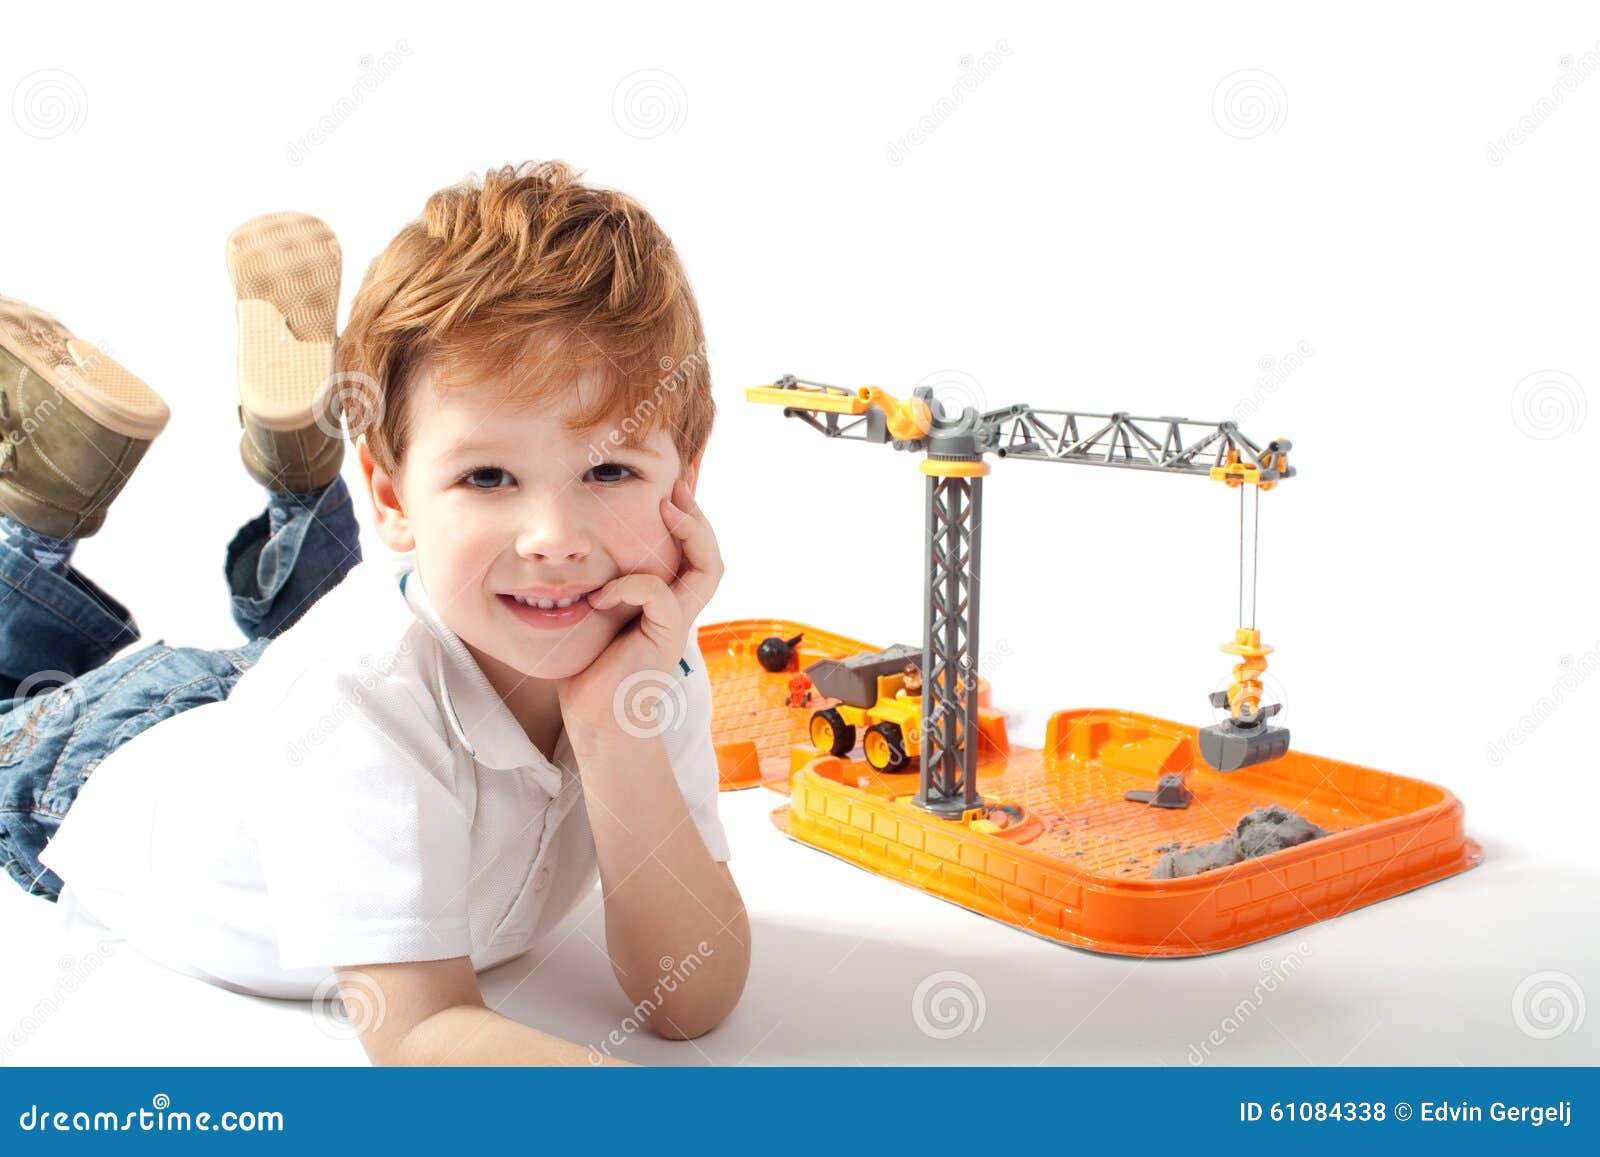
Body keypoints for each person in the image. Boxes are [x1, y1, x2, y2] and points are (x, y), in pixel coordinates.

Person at [0, 163, 749, 1064]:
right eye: (486, 476)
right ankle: (38, 514)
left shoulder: (646, 654)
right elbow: (420, 1030)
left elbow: (690, 997)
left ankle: (296, 479)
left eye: (608, 471)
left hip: (274, 702)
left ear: (686, 481)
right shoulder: (355, 694)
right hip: (92, 765)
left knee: (325, 637)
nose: (554, 538)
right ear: (389, 495)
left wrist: (612, 726)